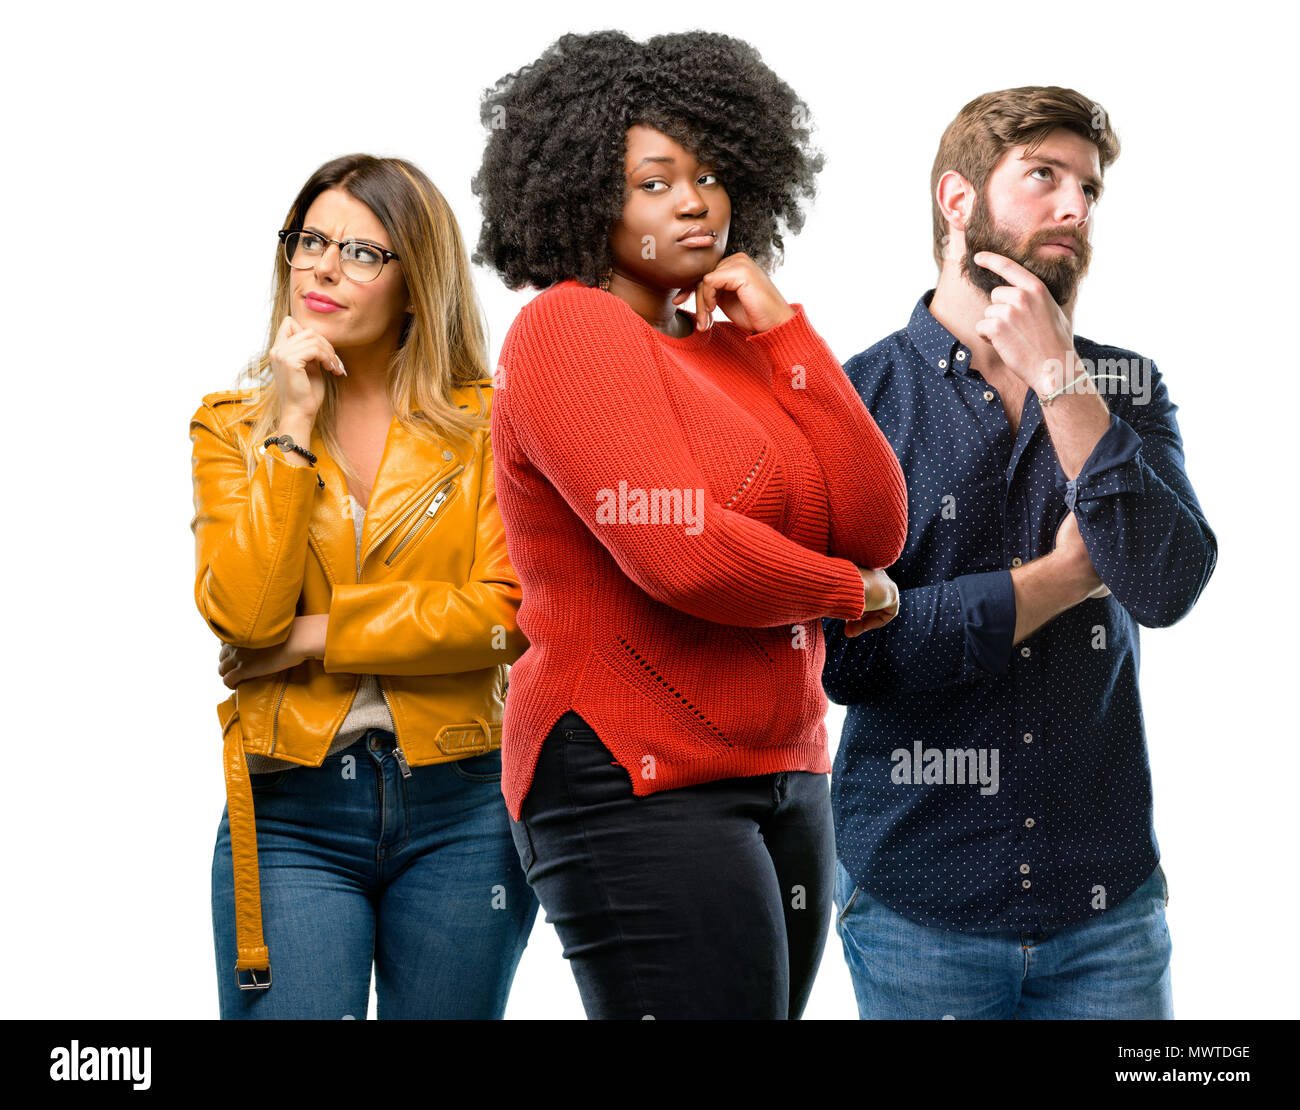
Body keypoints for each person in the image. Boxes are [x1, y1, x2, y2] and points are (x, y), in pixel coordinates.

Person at [471, 30, 909, 1019]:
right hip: (630, 769)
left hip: (787, 770)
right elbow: (683, 552)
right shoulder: (568, 329)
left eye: (708, 174)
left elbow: (876, 524)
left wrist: (786, 334)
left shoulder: (742, 345)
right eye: (653, 182)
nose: (692, 200)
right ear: (585, 195)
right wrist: (844, 594)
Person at [824, 87, 1218, 1019]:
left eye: (1088, 188)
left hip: (1109, 913)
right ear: (957, 199)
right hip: (920, 909)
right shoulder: (855, 401)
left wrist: (1059, 378)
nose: (1075, 208)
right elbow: (851, 656)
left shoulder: (1125, 383)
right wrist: (1058, 581)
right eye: (1043, 176)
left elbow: (1164, 583)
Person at [190, 154, 537, 1019]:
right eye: (310, 240)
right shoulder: (232, 429)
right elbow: (241, 613)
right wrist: (294, 423)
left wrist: (316, 637)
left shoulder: (489, 421)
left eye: (360, 252)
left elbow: (507, 614)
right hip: (287, 808)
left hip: (465, 804)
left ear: (415, 283)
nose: (322, 267)